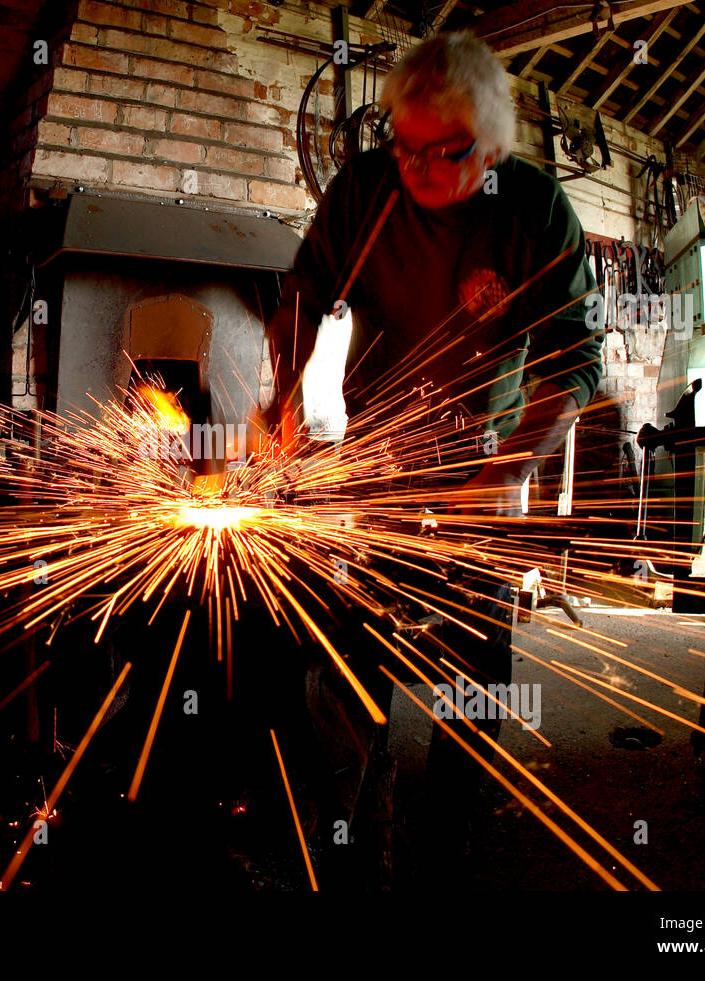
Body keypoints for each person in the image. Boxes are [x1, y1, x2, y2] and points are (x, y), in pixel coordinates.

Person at [262, 31, 604, 887]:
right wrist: (285, 403)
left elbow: (574, 362)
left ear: (489, 146)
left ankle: (445, 845)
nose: (414, 168)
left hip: (489, 469)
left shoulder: (531, 210)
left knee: (471, 678)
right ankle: (356, 839)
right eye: (400, 143)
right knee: (345, 660)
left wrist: (510, 472)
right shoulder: (367, 188)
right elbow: (305, 294)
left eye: (441, 153)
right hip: (379, 468)